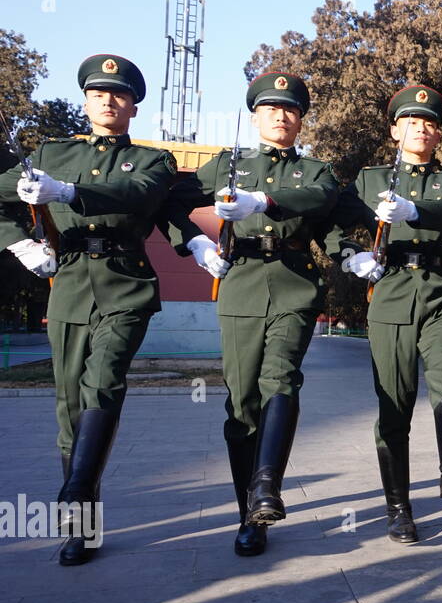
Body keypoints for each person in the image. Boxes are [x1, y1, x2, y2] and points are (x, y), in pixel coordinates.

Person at [0, 54, 177, 565]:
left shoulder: (151, 160)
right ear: (85, 100)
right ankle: (83, 528)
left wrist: (66, 191)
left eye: (119, 94)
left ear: (133, 107)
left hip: (125, 284)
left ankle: (77, 489)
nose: (108, 100)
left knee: (102, 381)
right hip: (71, 282)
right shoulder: (51, 152)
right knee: (69, 405)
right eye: (99, 93)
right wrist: (20, 244)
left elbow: (137, 195)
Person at [161, 71, 339, 556]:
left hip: (293, 284)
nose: (280, 116)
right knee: (241, 402)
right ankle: (249, 514)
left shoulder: (315, 172)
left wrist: (262, 200)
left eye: (290, 109)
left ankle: (266, 487)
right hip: (239, 284)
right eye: (270, 108)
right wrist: (195, 242)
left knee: (280, 379)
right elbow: (169, 201)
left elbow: (321, 200)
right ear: (255, 115)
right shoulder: (227, 165)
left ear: (301, 119)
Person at [328, 84, 442, 545]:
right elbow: (337, 227)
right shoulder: (369, 179)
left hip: (439, 292)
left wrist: (414, 209)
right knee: (394, 404)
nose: (421, 128)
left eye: (430, 123)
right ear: (395, 130)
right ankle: (398, 507)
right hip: (392, 292)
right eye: (412, 121)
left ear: (438, 135)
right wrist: (352, 255)